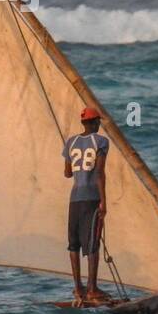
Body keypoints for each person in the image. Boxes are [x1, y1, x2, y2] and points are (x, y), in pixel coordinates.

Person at [63, 107, 110, 303]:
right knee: (92, 244)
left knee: (74, 244)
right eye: (97, 122)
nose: (99, 125)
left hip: (74, 199)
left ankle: (78, 289)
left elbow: (67, 173)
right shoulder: (101, 141)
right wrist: (104, 202)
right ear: (93, 123)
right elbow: (99, 173)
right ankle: (92, 289)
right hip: (91, 197)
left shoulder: (71, 142)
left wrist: (72, 158)